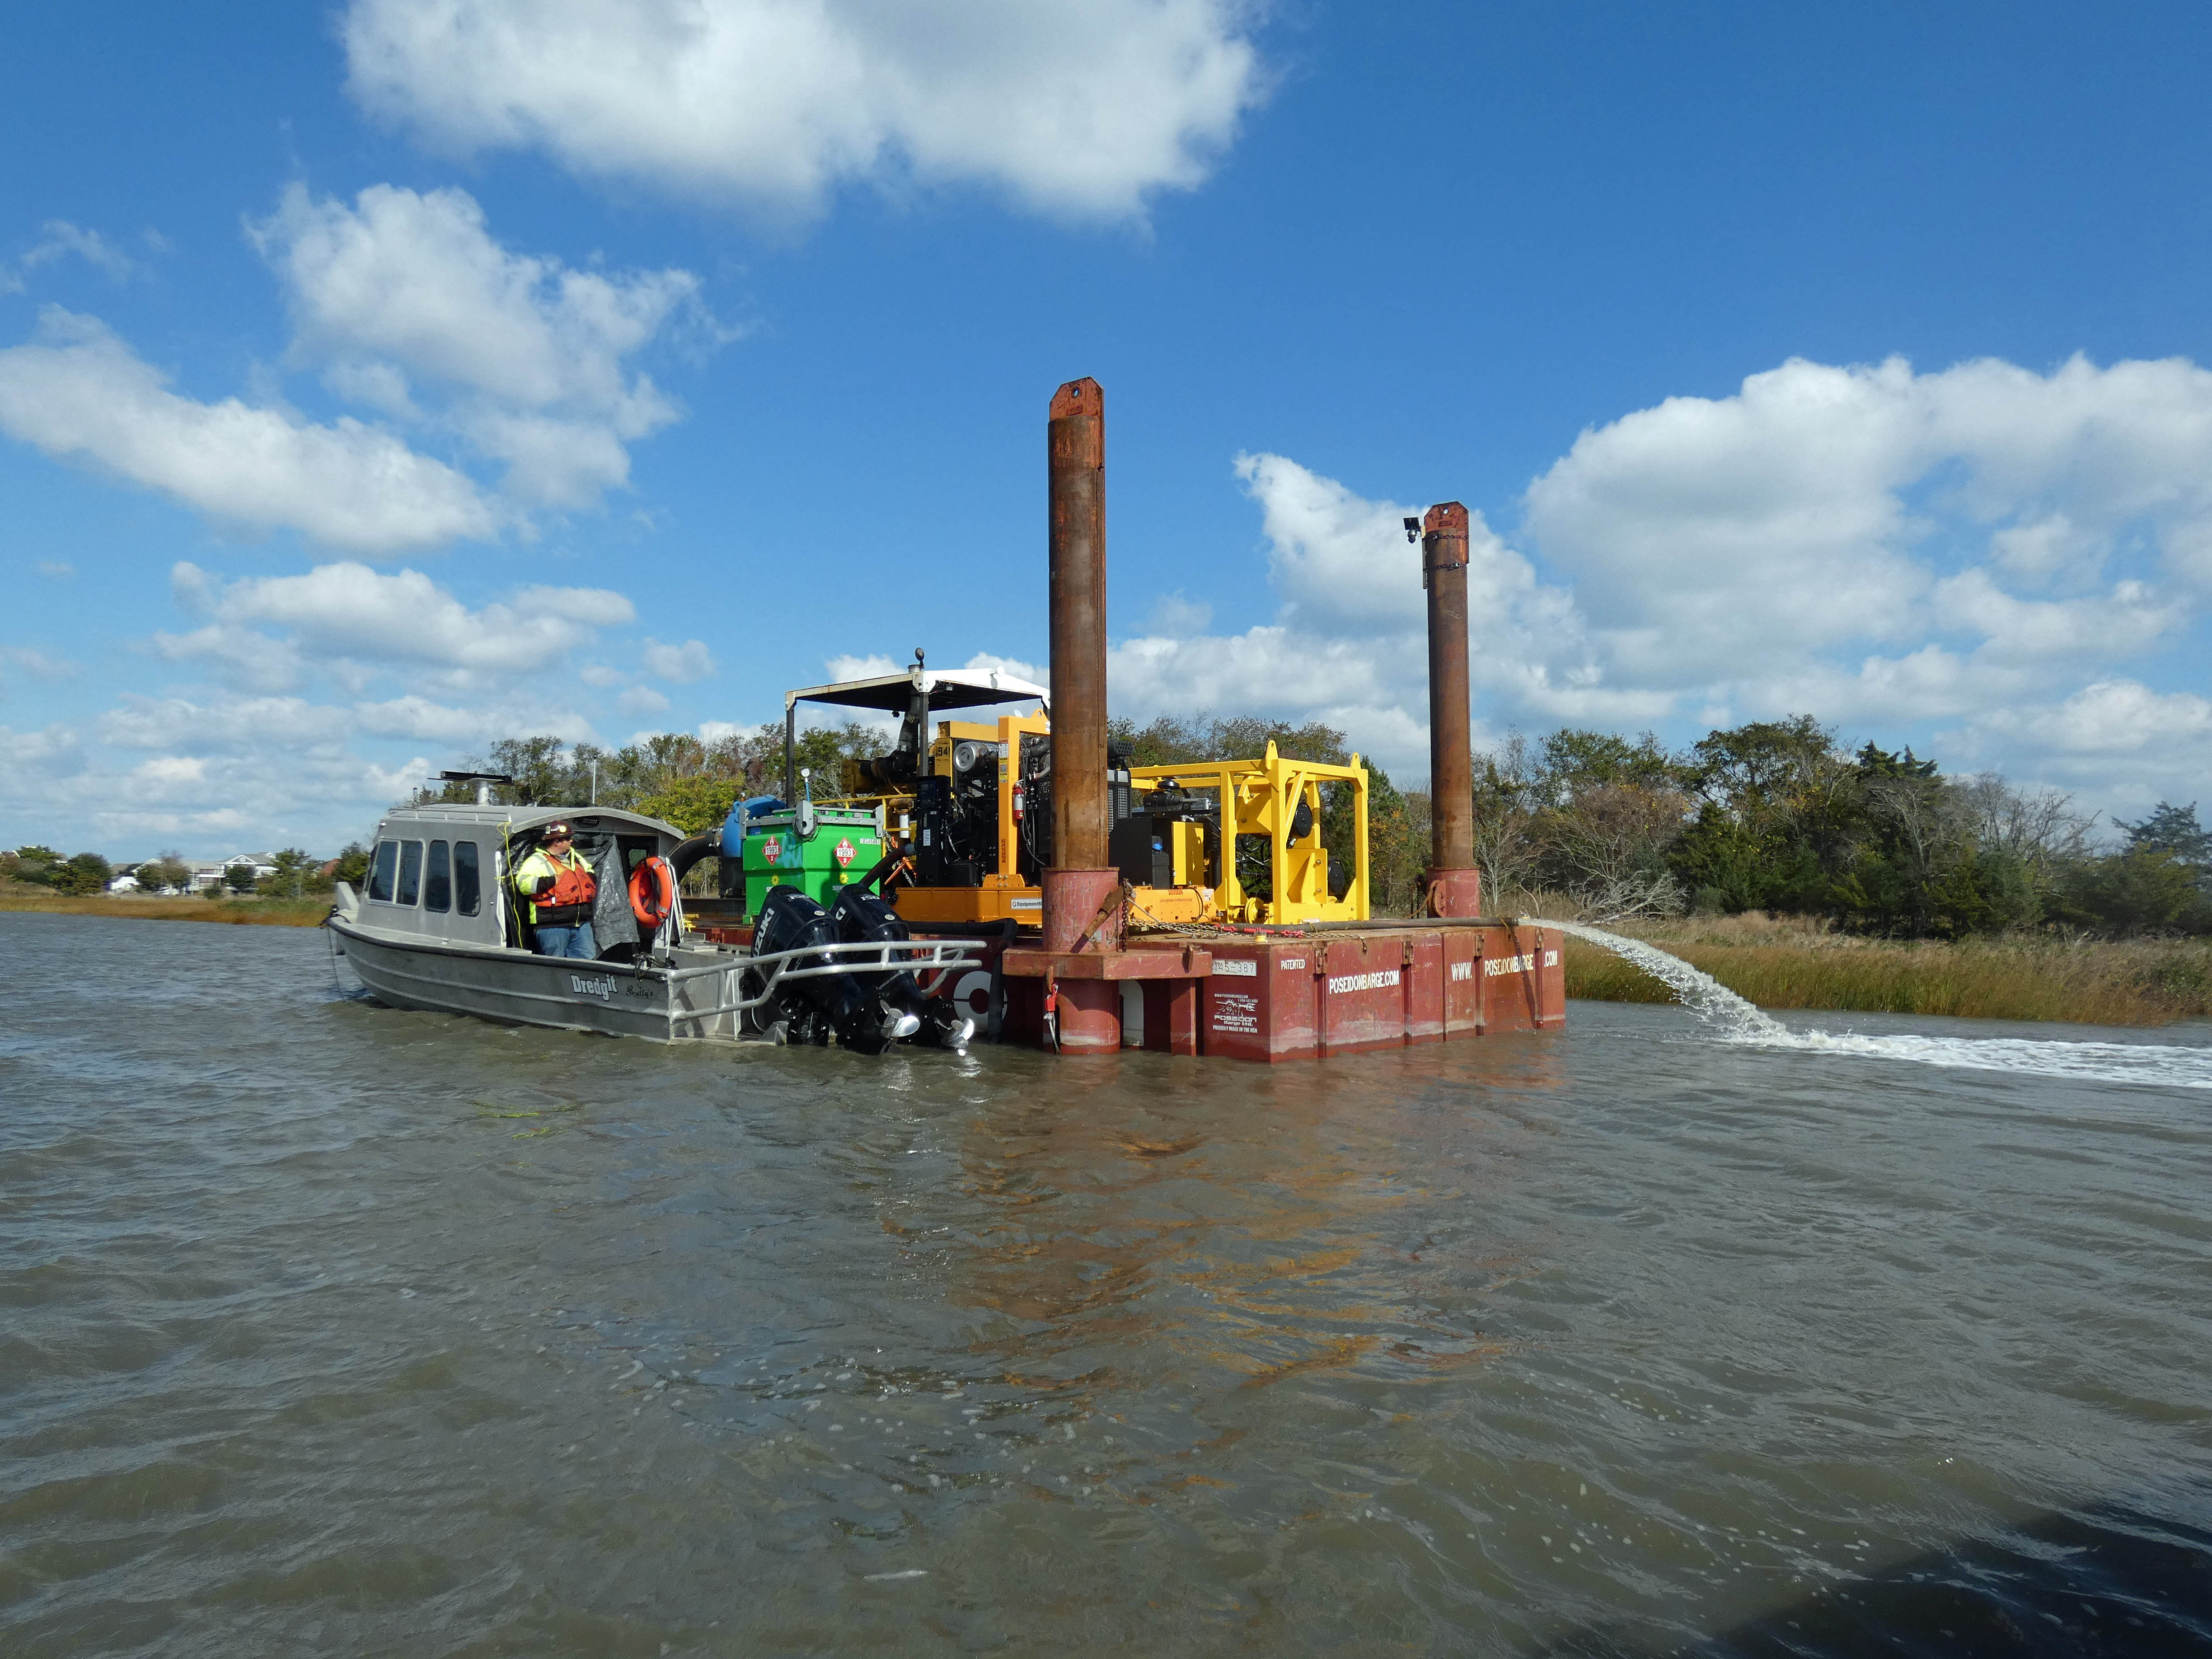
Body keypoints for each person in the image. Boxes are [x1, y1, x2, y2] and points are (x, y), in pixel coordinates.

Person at [513, 822, 598, 958]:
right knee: (555, 967)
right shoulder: (536, 861)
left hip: (581, 924)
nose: (571, 841)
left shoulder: (576, 858)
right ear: (557, 842)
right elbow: (523, 884)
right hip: (552, 927)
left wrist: (588, 879)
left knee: (585, 966)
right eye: (567, 838)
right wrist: (549, 882)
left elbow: (590, 872)